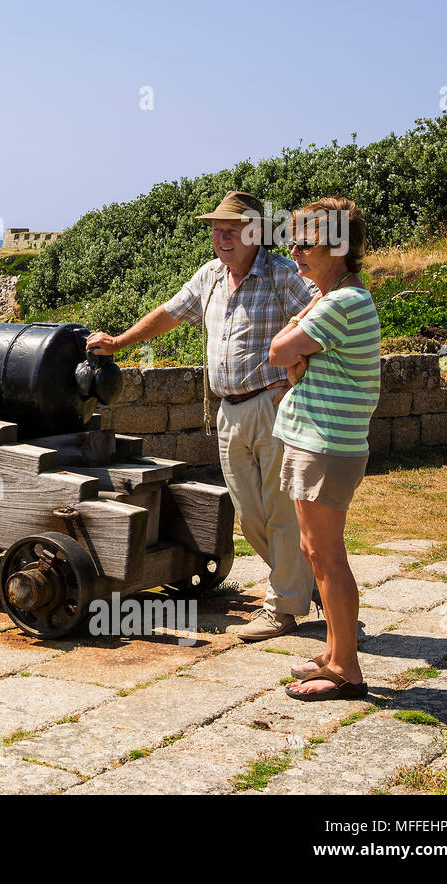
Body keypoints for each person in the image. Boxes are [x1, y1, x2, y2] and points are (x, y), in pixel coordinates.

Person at [87, 191, 319, 639]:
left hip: (271, 407)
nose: (221, 236)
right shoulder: (211, 276)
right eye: (216, 228)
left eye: (231, 228)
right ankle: (309, 581)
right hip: (228, 411)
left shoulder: (282, 275)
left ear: (255, 232)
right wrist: (118, 343)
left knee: (279, 512)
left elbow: (321, 313)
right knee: (251, 516)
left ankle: (284, 606)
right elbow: (169, 315)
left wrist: (292, 380)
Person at [269, 197, 380, 700]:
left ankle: (346, 671)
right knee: (317, 554)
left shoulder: (342, 303)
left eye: (305, 242)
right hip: (320, 440)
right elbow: (291, 356)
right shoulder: (336, 297)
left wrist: (296, 354)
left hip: (326, 443)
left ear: (338, 246)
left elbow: (278, 352)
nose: (294, 250)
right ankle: (335, 652)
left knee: (326, 556)